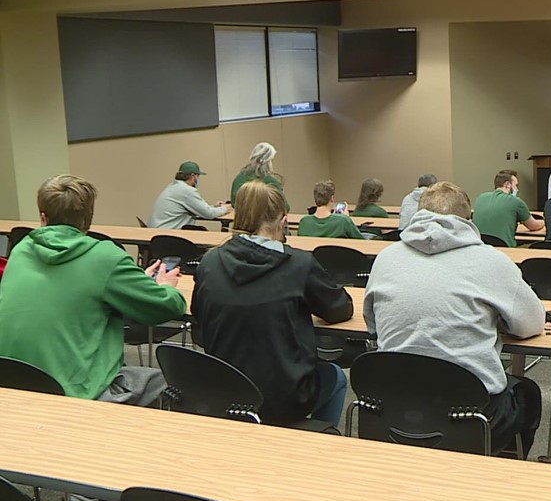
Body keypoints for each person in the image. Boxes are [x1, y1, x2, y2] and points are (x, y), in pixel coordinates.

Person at [364, 181, 545, 457]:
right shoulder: (492, 261)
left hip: (392, 407)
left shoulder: (385, 258)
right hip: (469, 414)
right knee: (527, 393)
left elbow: (373, 326)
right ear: (469, 220)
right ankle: (500, 473)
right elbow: (531, 324)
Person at [0, 174, 185, 405]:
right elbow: (167, 308)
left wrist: (135, 283)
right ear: (87, 220)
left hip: (12, 384)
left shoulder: (21, 250)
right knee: (164, 381)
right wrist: (167, 287)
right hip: (73, 393)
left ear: (43, 216)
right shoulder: (105, 258)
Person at [192, 180, 353, 426]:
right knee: (337, 377)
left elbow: (200, 328)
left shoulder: (209, 263)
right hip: (283, 400)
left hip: (224, 395)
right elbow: (339, 309)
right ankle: (315, 442)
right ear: (283, 221)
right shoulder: (299, 265)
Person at [148, 161, 232, 229]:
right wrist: (224, 209)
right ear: (193, 176)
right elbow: (208, 214)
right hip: (167, 235)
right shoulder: (187, 191)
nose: (198, 179)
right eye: (198, 176)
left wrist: (214, 207)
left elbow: (196, 208)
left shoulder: (173, 186)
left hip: (156, 233)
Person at [472, 170, 543, 247]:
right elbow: (534, 226)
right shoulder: (515, 202)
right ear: (508, 185)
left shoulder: (481, 198)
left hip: (481, 248)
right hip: (506, 249)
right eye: (516, 185)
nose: (517, 190)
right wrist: (543, 222)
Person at [231, 142, 289, 211]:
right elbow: (285, 208)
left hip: (243, 221)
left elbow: (234, 203)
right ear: (268, 161)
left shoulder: (239, 179)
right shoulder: (272, 182)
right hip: (266, 221)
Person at [298, 180, 364, 239]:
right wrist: (345, 217)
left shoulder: (304, 222)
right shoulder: (343, 221)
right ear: (332, 198)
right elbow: (362, 241)